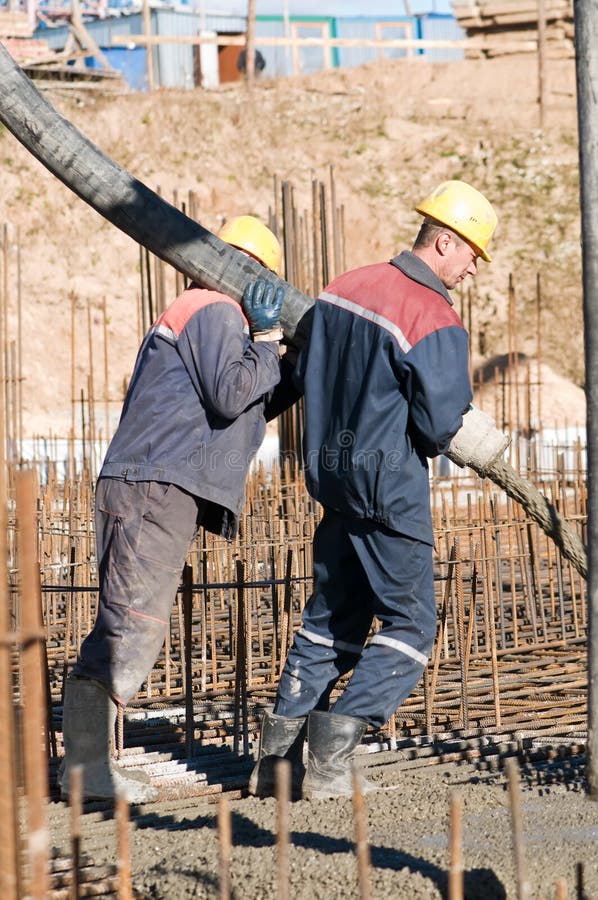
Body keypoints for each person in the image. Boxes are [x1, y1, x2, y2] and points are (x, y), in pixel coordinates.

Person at [249, 180, 508, 800]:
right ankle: (332, 753)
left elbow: (300, 373)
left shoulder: (343, 288)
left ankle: (274, 764)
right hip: (390, 489)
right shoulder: (432, 314)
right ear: (444, 241)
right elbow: (441, 421)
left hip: (334, 479)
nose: (473, 267)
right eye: (472, 252)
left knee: (329, 623)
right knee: (411, 627)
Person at [59, 215, 297, 804]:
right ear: (254, 274)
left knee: (130, 622)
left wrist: (283, 371)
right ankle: (88, 770)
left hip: (156, 486)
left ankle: (90, 765)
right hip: (151, 487)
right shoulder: (213, 306)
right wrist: (267, 344)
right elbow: (232, 393)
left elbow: (236, 410)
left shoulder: (206, 317)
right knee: (129, 627)